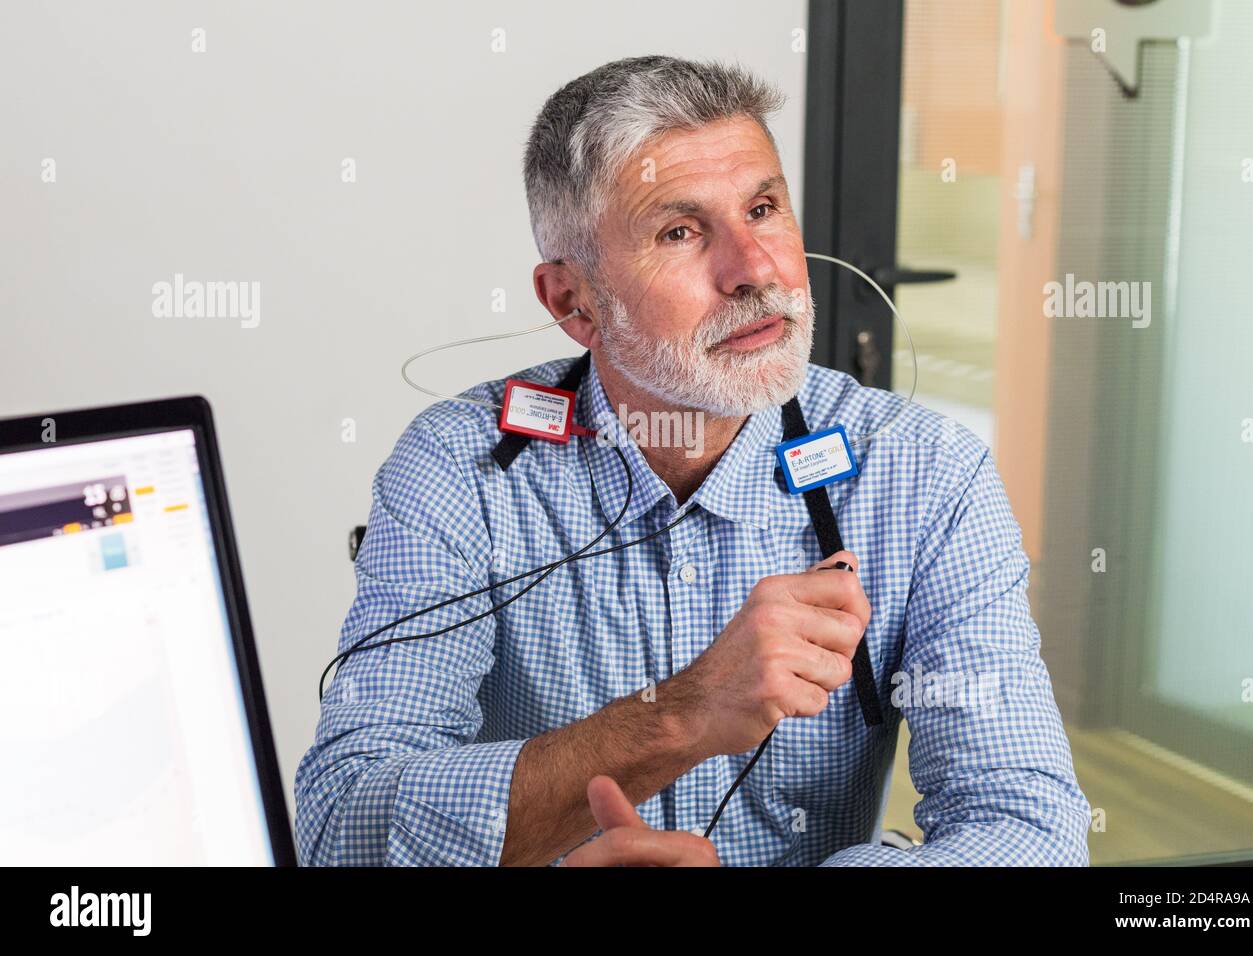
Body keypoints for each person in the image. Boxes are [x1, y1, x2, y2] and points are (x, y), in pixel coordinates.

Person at [294, 55, 1091, 867]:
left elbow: (1029, 832)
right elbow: (340, 828)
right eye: (680, 231)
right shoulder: (460, 467)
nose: (756, 270)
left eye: (764, 208)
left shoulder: (924, 475)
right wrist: (680, 715)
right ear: (574, 301)